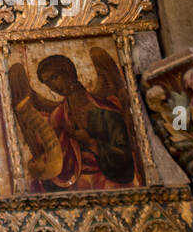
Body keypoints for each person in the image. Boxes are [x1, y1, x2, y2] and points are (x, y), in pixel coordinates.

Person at [34, 54, 135, 190]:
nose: (53, 86)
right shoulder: (58, 117)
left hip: (111, 182)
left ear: (69, 72)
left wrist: (91, 143)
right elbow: (56, 159)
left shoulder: (104, 109)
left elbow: (126, 159)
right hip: (76, 185)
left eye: (55, 77)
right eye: (48, 83)